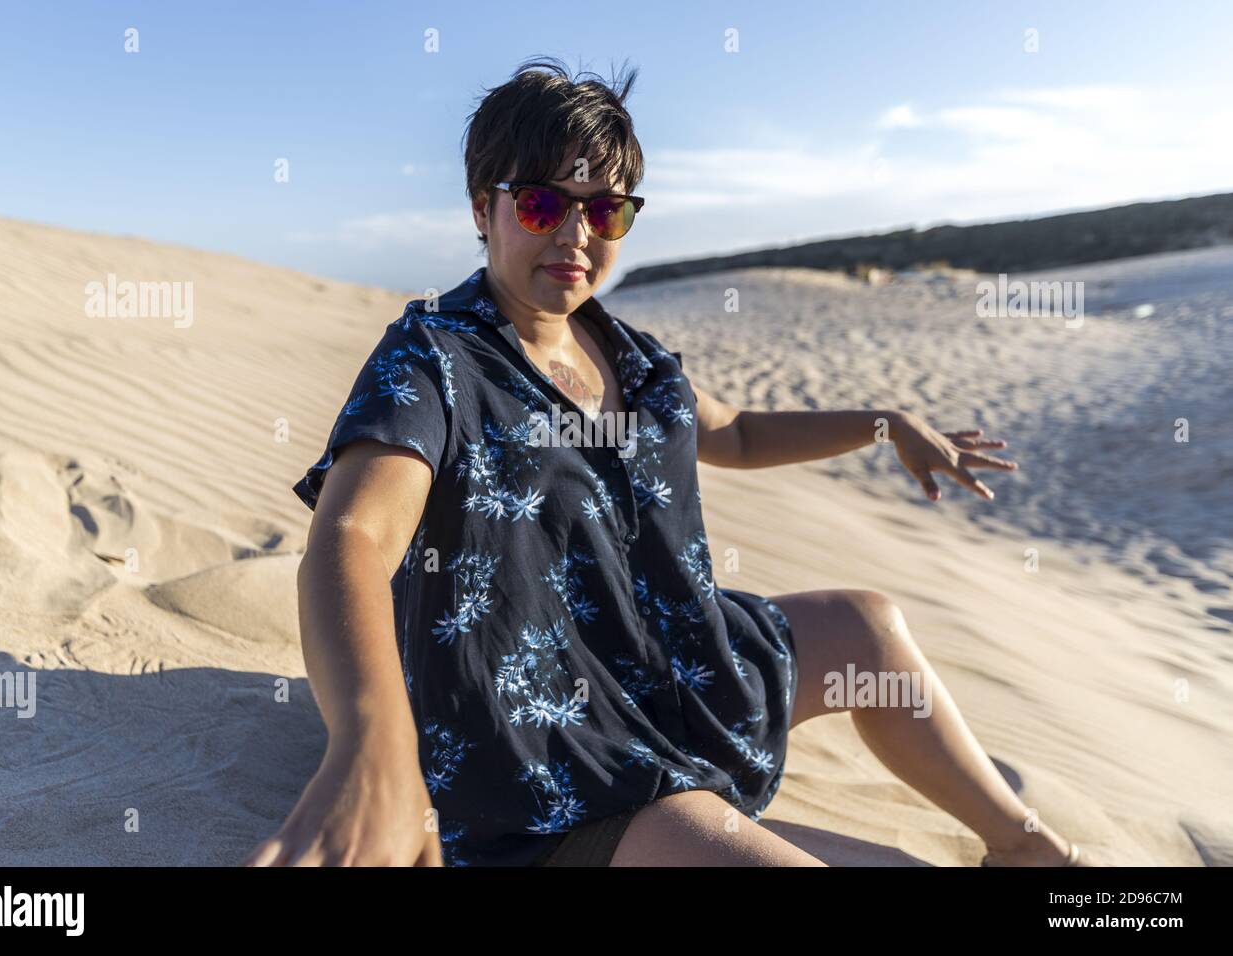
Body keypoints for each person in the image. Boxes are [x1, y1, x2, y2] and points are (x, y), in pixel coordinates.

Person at [243, 57, 1090, 868]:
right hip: (542, 746)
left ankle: (1022, 843)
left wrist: (883, 421)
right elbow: (352, 537)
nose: (576, 235)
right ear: (482, 208)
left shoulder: (633, 357)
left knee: (867, 626)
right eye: (542, 204)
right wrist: (371, 743)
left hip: (669, 670)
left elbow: (738, 434)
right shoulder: (434, 360)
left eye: (605, 210)